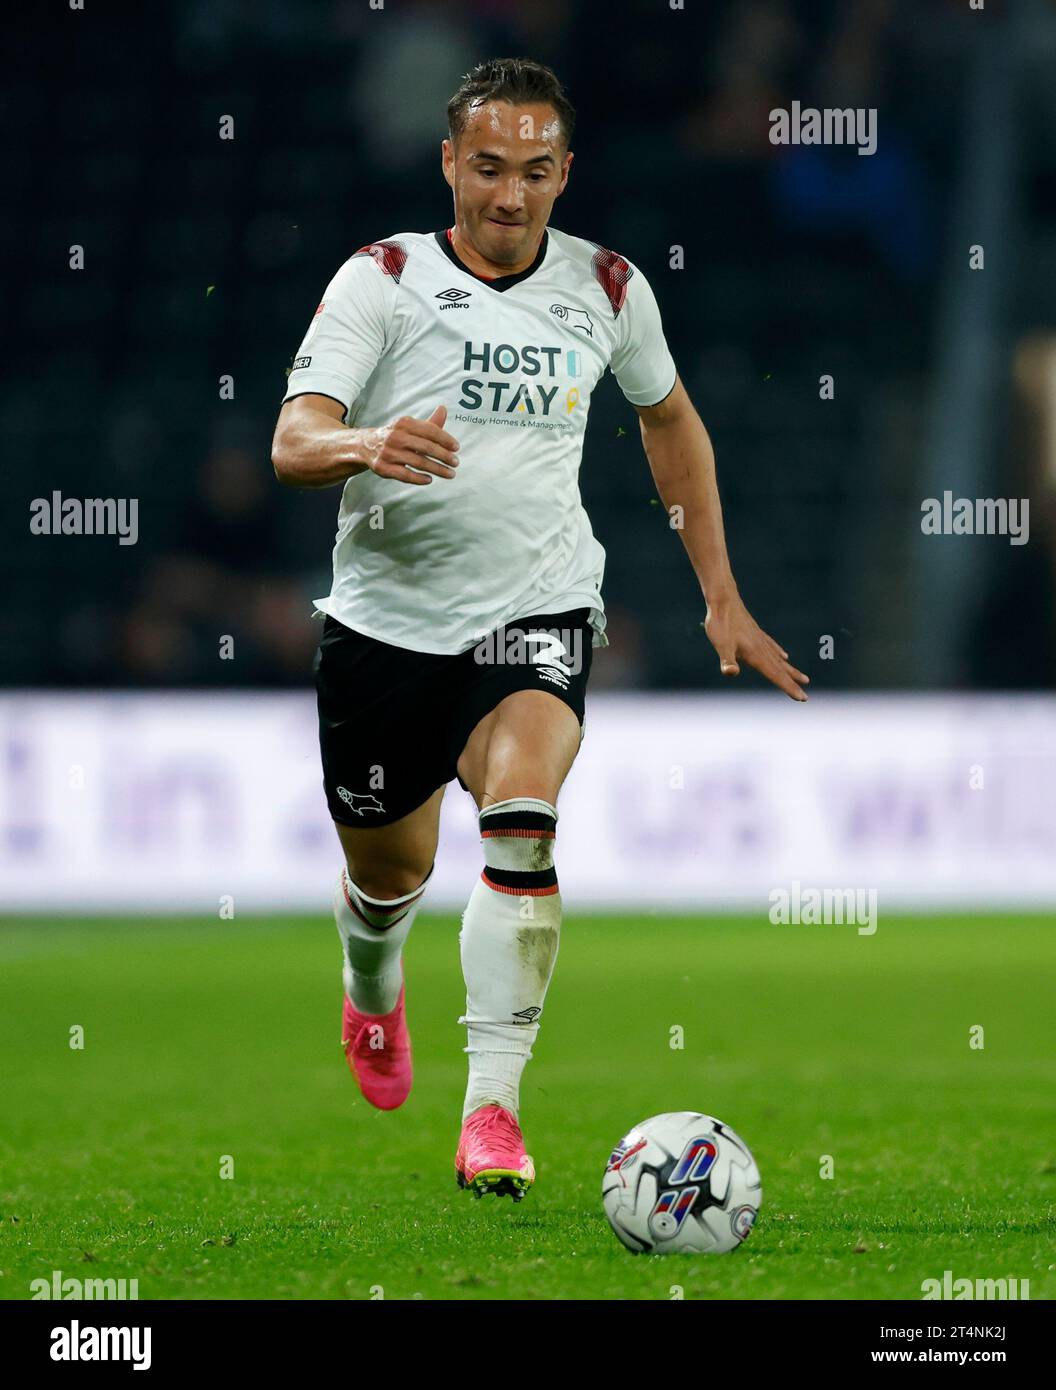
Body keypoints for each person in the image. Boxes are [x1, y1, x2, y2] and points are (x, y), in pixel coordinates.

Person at [271, 56, 808, 1202]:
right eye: (487, 169)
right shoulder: (381, 278)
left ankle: (493, 1110)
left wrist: (719, 590)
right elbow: (294, 441)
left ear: (565, 172)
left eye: (533, 171)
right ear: (449, 164)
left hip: (541, 605)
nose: (508, 196)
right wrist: (365, 444)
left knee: (523, 816)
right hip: (384, 631)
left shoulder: (609, 287)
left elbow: (673, 426)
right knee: (391, 870)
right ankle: (372, 987)